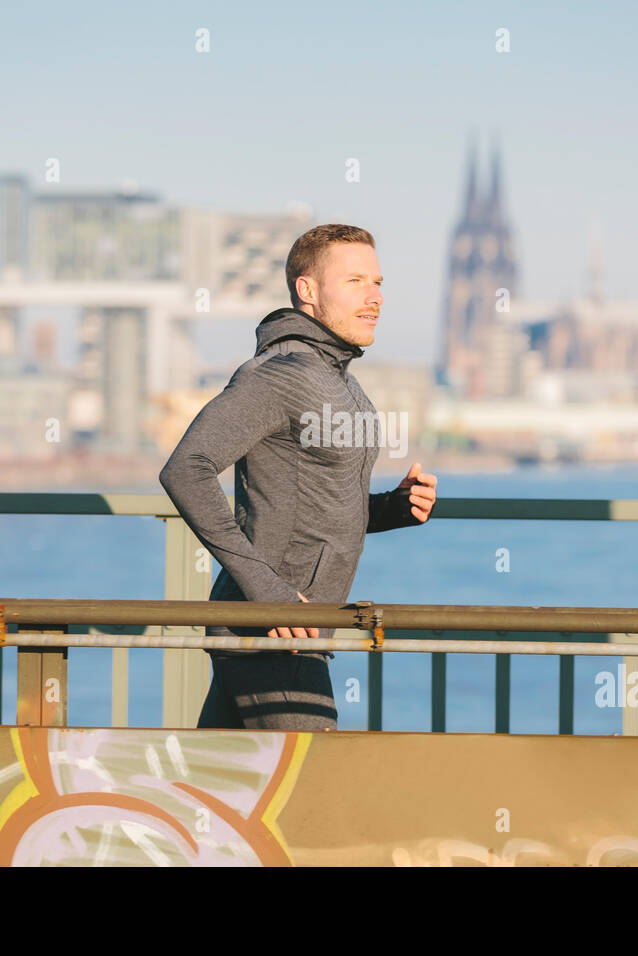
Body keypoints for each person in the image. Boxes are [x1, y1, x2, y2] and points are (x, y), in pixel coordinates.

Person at [158, 223, 438, 731]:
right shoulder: (278, 375)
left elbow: (311, 503)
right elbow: (185, 470)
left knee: (217, 795)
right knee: (314, 791)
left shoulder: (338, 382)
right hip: (272, 632)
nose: (374, 297)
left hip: (288, 628)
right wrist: (269, 592)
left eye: (378, 283)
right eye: (355, 281)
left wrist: (391, 509)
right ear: (307, 290)